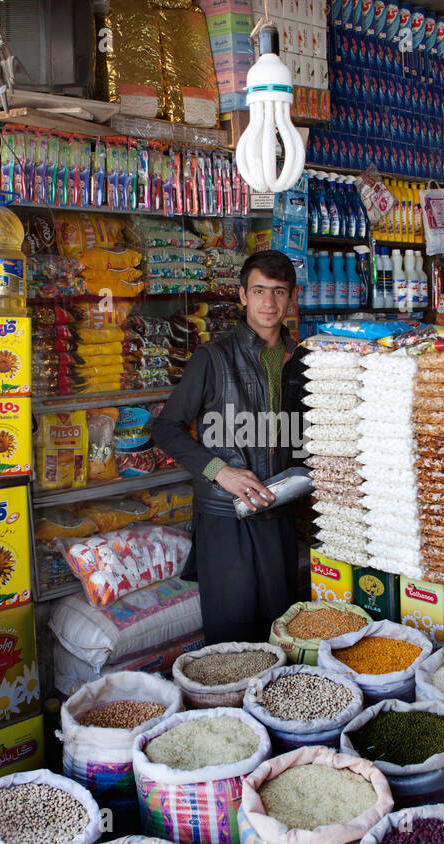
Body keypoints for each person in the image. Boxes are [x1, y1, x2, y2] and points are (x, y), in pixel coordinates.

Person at [152, 250, 306, 643]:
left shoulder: (302, 361)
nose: (268, 303)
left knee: (282, 632)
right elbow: (166, 429)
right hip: (226, 517)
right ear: (242, 295)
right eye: (258, 291)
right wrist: (219, 471)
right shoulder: (213, 358)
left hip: (281, 514)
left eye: (278, 292)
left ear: (292, 298)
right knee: (231, 637)